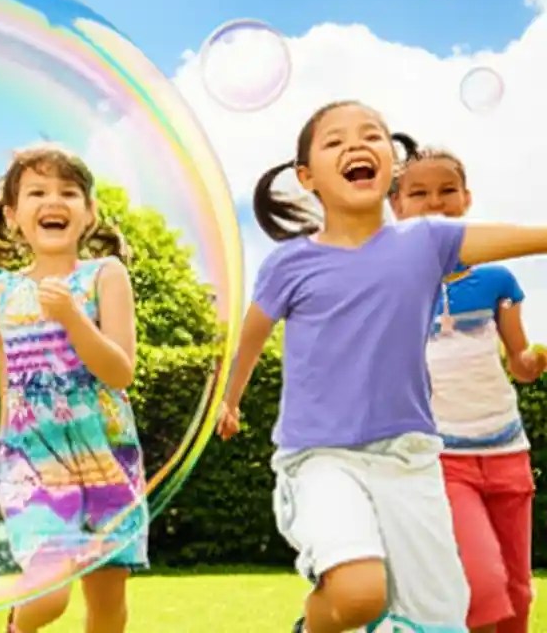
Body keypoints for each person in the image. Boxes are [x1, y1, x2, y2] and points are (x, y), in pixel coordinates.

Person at [216, 98, 547, 633]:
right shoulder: (290, 264)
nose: (356, 144)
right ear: (307, 177)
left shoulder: (428, 240)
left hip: (410, 461)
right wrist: (230, 398)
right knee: (359, 594)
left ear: (392, 164)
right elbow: (252, 337)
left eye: (372, 134)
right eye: (335, 141)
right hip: (320, 457)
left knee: (440, 623)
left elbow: (517, 237)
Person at [0, 143, 146, 633]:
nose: (54, 201)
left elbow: (120, 371)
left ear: (88, 213)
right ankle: (16, 626)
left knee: (107, 599)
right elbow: (9, 382)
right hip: (33, 457)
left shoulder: (105, 276)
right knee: (49, 590)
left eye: (69, 192)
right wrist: (6, 441)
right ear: (13, 214)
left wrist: (70, 315)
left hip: (104, 452)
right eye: (37, 191)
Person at [390, 135, 542, 633]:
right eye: (419, 193)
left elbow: (517, 360)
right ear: (396, 207)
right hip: (444, 457)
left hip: (506, 448)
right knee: (482, 581)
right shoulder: (393, 283)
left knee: (518, 592)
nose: (435, 202)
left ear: (467, 198)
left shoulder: (497, 279)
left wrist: (530, 360)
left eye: (447, 190)